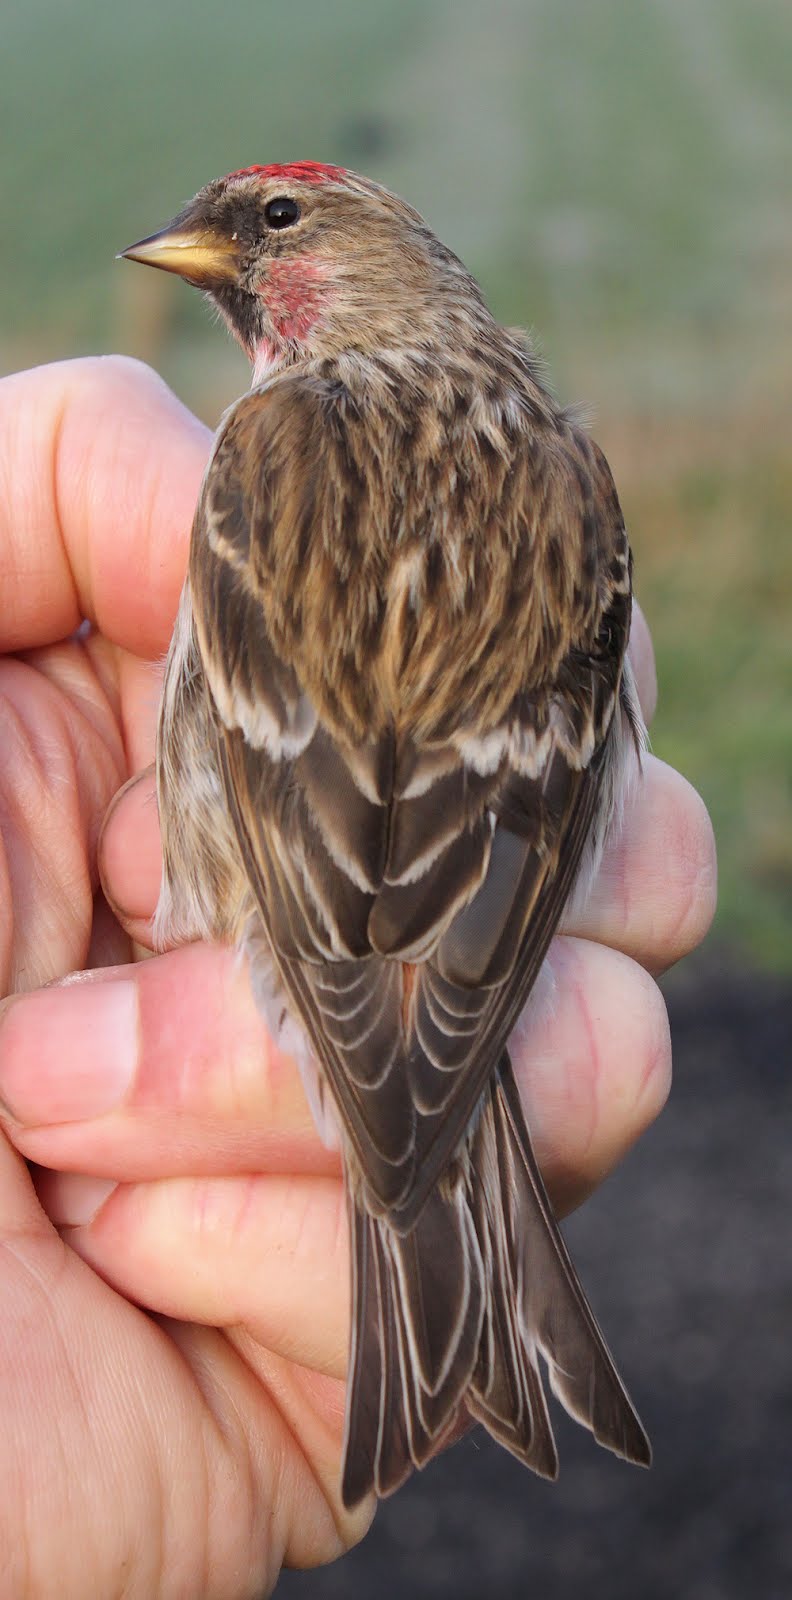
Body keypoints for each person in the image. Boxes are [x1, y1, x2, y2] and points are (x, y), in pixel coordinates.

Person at [0, 356, 716, 1598]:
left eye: (277, 223)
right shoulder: (556, 477)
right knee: (439, 1092)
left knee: (430, 1090)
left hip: (307, 884)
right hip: (447, 899)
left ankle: (436, 1254)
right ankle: (460, 1259)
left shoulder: (267, 460)